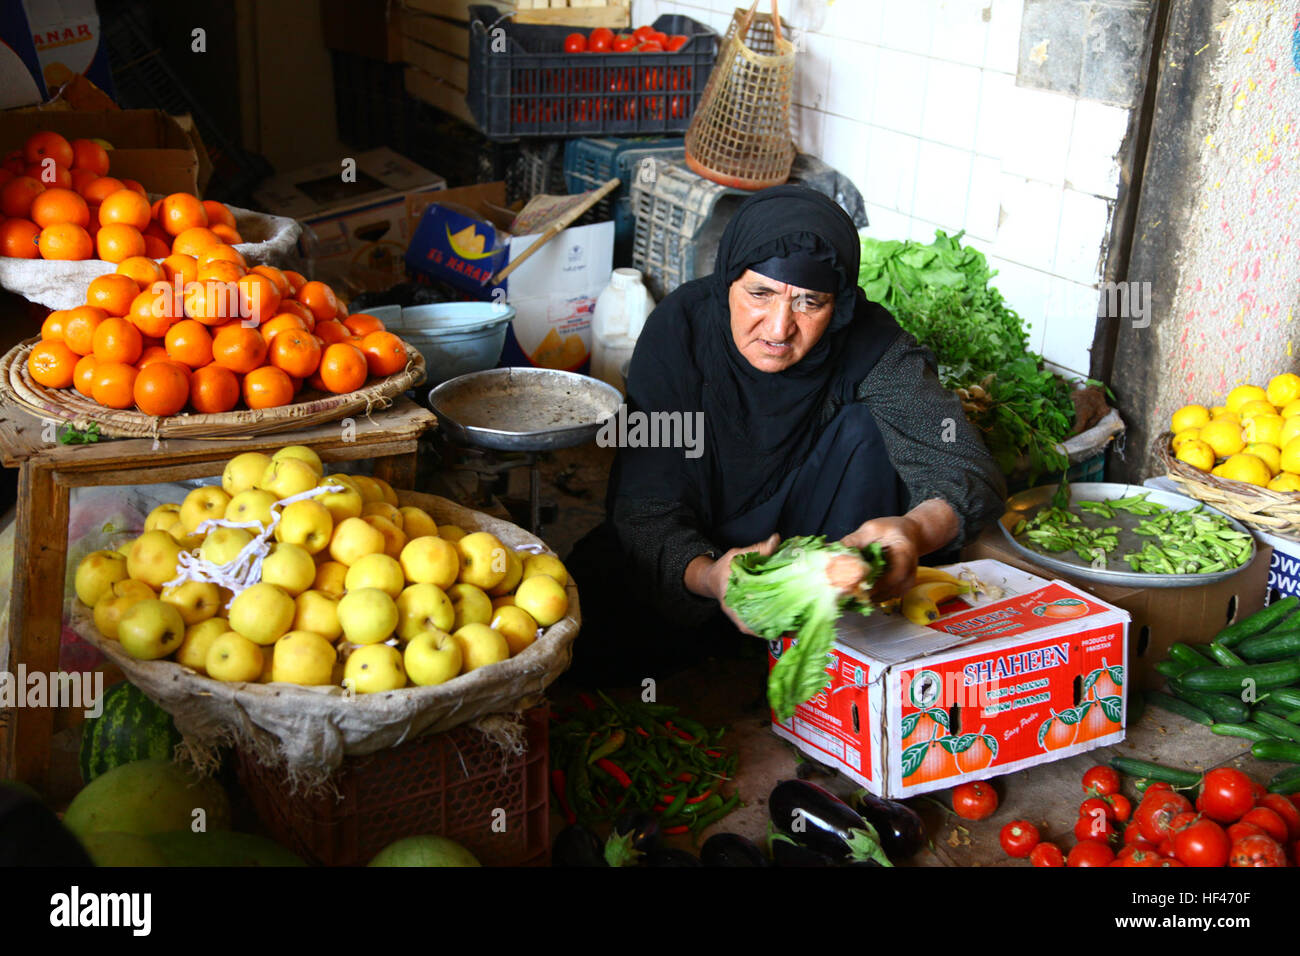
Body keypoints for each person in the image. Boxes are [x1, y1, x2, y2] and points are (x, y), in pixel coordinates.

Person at [565, 185, 1005, 683]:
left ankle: (818, 639)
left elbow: (964, 466)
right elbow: (645, 509)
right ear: (730, 280)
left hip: (813, 568)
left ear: (837, 307)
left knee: (867, 424)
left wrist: (917, 530)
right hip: (699, 559)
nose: (779, 328)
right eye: (760, 293)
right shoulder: (681, 332)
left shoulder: (870, 342)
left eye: (809, 302)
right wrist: (711, 575)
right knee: (595, 633)